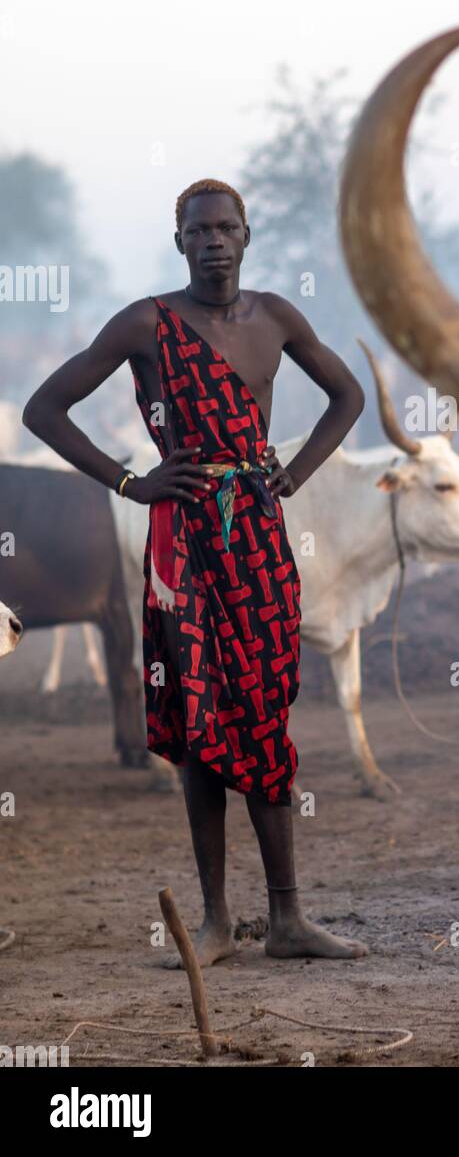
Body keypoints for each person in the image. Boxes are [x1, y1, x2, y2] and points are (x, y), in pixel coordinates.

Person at [23, 178, 369, 966]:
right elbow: (43, 409)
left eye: (226, 228)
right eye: (198, 230)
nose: (213, 241)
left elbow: (345, 396)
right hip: (181, 540)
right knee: (199, 720)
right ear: (178, 241)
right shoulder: (147, 323)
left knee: (263, 715)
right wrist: (129, 482)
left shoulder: (278, 317)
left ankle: (287, 920)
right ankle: (216, 921)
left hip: (259, 536)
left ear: (247, 236)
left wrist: (296, 472)